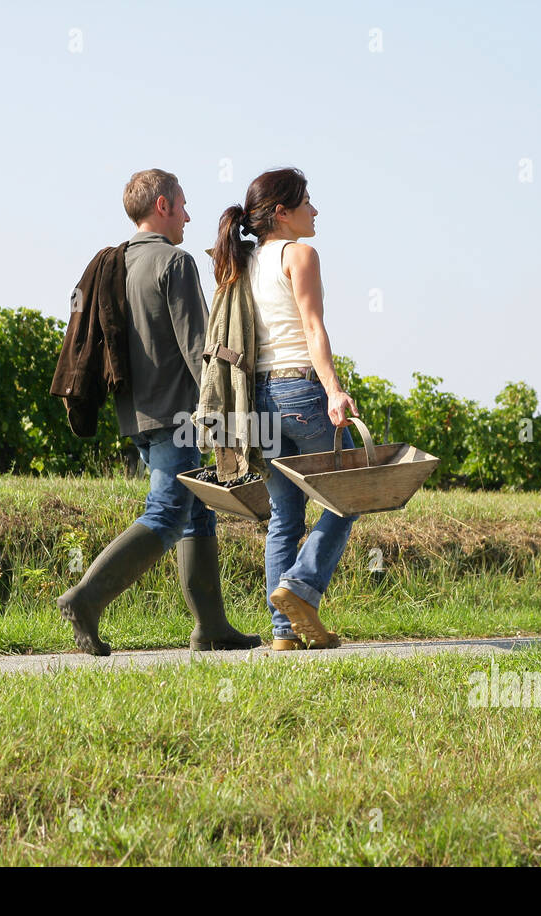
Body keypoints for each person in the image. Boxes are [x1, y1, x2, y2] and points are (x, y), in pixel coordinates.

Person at [57, 169, 260, 656]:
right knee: (168, 514)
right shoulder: (175, 262)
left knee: (197, 514)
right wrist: (224, 414)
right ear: (163, 205)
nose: (190, 216)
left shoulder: (114, 263)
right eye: (184, 206)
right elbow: (198, 349)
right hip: (177, 414)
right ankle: (86, 598)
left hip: (137, 416)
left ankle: (211, 627)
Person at [211, 168, 359, 650]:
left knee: (284, 515)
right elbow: (314, 330)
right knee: (354, 489)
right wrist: (334, 390)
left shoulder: (243, 261)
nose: (315, 211)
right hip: (300, 391)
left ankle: (284, 633)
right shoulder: (300, 254)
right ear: (281, 212)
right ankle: (301, 586)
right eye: (307, 202)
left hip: (257, 402)